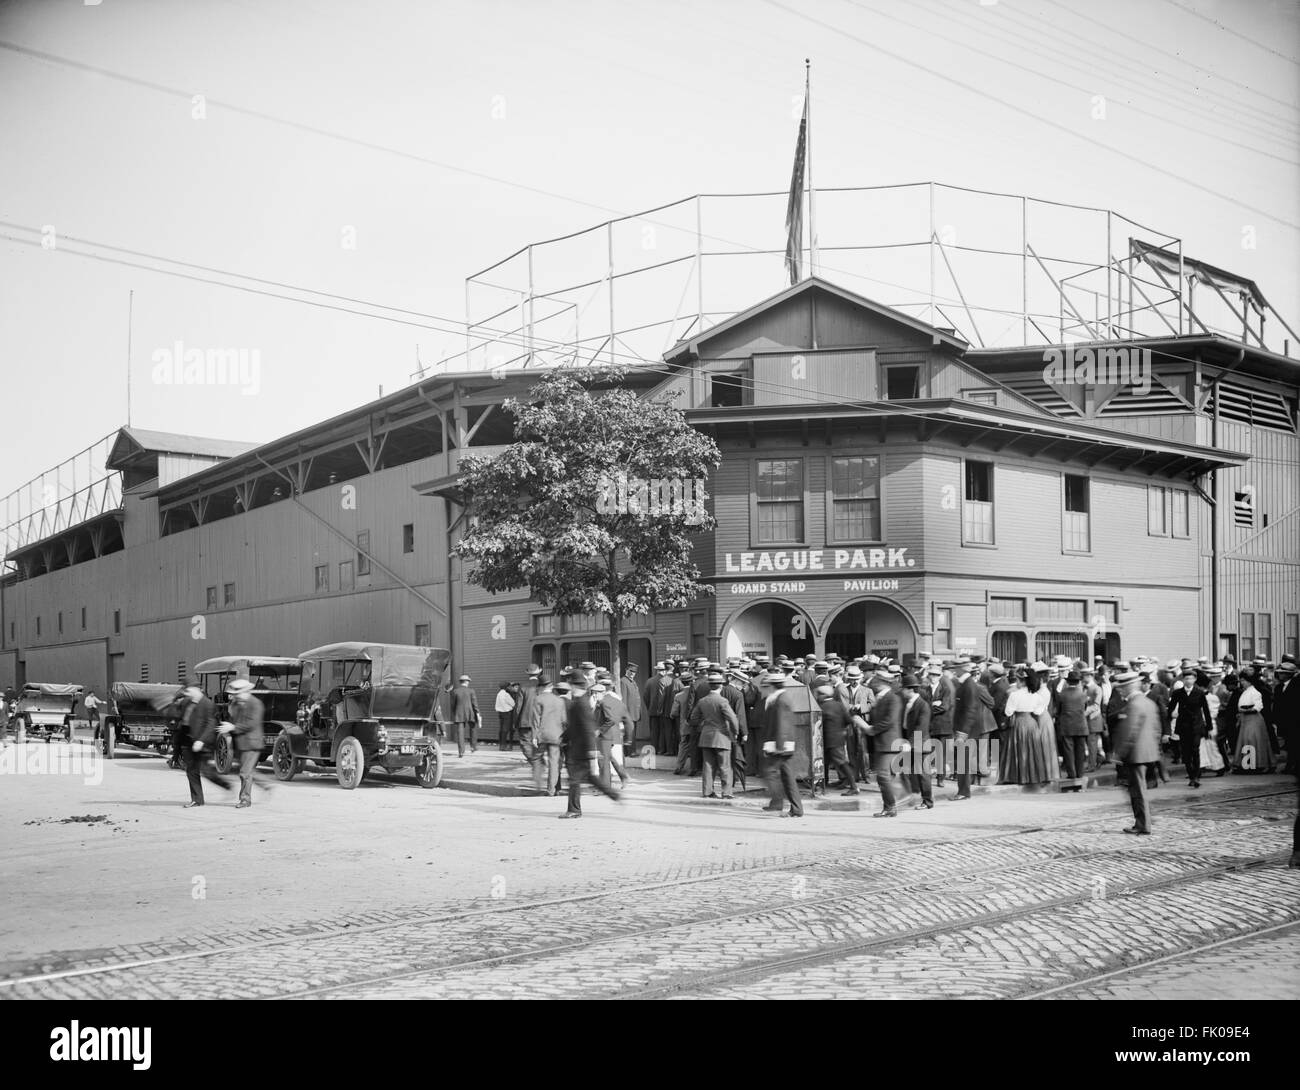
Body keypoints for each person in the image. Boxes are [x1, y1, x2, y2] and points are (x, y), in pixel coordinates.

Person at [558, 677, 621, 818]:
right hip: (580, 747)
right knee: (590, 778)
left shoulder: (581, 703)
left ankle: (574, 810)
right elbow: (574, 726)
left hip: (580, 749)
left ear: (575, 686)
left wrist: (591, 749)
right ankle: (614, 795)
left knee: (574, 780)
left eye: (571, 685)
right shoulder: (580, 702)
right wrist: (564, 737)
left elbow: (587, 727)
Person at [1111, 667, 1161, 834]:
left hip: (1136, 755)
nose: (1120, 690)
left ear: (1129, 687)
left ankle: (1143, 824)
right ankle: (1143, 821)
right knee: (1140, 789)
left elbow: (1129, 732)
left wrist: (1119, 753)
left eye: (1122, 687)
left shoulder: (1133, 705)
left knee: (1138, 791)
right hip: (1148, 753)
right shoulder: (1148, 702)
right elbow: (1156, 729)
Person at [999, 666, 1059, 787]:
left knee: (1018, 749)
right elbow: (1038, 711)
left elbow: (1008, 712)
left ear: (1021, 681)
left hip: (1018, 722)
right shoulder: (1036, 695)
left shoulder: (1014, 695)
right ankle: (1033, 775)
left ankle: (1017, 776)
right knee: (1032, 749)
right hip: (1031, 723)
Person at [177, 683, 229, 806]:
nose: (186, 693)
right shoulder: (186, 702)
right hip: (187, 740)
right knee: (191, 770)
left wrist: (201, 740)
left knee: (207, 771)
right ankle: (197, 800)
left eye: (188, 690)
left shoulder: (208, 704)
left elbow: (211, 724)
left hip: (203, 742)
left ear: (197, 689)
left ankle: (226, 786)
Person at [222, 679, 271, 809]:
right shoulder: (236, 704)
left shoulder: (256, 704)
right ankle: (265, 784)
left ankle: (245, 799)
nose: (235, 696)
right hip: (240, 742)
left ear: (246, 691)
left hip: (252, 743)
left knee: (244, 772)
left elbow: (251, 724)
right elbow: (232, 718)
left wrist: (232, 727)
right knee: (247, 770)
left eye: (237, 693)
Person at [690, 670, 739, 799]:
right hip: (722, 737)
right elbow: (733, 719)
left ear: (710, 686)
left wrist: (704, 725)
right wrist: (735, 733)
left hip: (706, 736)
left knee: (708, 765)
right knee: (725, 766)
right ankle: (726, 792)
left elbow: (693, 719)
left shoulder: (702, 701)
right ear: (721, 685)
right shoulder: (723, 701)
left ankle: (707, 791)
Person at [762, 672, 803, 817]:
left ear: (772, 685)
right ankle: (795, 808)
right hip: (784, 744)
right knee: (787, 776)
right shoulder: (781, 698)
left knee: (770, 773)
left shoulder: (779, 700)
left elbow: (781, 724)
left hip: (780, 744)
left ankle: (778, 802)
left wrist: (779, 746)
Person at [866, 665, 904, 816]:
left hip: (889, 743)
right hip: (883, 742)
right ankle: (894, 802)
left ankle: (890, 807)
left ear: (882, 682)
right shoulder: (880, 698)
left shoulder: (892, 698)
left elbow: (889, 720)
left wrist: (871, 729)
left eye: (876, 680)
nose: (873, 682)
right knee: (889, 776)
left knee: (882, 775)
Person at [1168, 669, 1212, 787]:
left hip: (1196, 725)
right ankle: (1191, 775)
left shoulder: (1199, 693)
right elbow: (1170, 708)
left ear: (1195, 680)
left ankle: (1196, 777)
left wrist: (1209, 727)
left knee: (1195, 750)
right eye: (1186, 679)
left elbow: (1206, 710)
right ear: (1183, 680)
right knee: (1186, 753)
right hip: (1183, 726)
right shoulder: (1178, 693)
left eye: (1191, 678)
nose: (1188, 681)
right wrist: (1169, 719)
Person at [816, 683, 858, 796]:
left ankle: (854, 787)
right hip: (838, 739)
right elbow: (848, 720)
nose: (817, 696)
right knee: (829, 762)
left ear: (823, 695)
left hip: (829, 740)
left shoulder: (821, 707)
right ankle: (823, 785)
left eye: (818, 694)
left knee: (840, 763)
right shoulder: (838, 705)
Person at [900, 673, 933, 809]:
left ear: (910, 689)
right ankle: (912, 795)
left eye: (904, 688)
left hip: (920, 744)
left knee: (922, 774)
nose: (902, 691)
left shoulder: (922, 705)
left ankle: (927, 801)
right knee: (906, 770)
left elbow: (921, 728)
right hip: (911, 743)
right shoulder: (909, 703)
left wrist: (909, 744)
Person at [530, 674, 566, 796]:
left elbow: (535, 720)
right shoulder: (559, 700)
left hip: (542, 735)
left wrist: (534, 736)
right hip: (556, 735)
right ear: (551, 686)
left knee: (535, 758)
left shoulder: (538, 699)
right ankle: (551, 789)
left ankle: (538, 784)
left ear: (540, 687)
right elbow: (564, 720)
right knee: (554, 763)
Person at [1233, 671, 1274, 773]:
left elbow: (1258, 707)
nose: (1242, 683)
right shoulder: (1244, 692)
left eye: (1243, 681)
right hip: (1245, 720)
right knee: (1245, 740)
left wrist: (1246, 710)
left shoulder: (1255, 692)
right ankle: (1247, 764)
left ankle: (1259, 764)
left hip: (1254, 719)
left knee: (1253, 740)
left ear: (1249, 681)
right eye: (1241, 681)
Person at [595, 680, 632, 789]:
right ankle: (623, 776)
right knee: (609, 757)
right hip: (613, 735)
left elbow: (609, 719)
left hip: (604, 735)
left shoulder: (603, 702)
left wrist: (599, 730)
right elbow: (628, 722)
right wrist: (628, 738)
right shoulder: (619, 702)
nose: (594, 694)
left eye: (595, 692)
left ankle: (605, 786)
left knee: (603, 761)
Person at [1055, 671, 1089, 789]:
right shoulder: (1083, 694)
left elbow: (1057, 711)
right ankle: (1080, 773)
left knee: (1068, 750)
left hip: (1067, 724)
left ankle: (1072, 773)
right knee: (1080, 750)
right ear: (1079, 681)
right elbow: (1085, 708)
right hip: (1081, 725)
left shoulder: (1062, 694)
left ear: (1067, 681)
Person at [450, 674, 481, 758]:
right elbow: (475, 703)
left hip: (459, 713)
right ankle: (473, 747)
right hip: (470, 713)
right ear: (467, 682)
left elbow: (453, 705)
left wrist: (454, 713)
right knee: (473, 729)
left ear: (460, 682)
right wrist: (477, 713)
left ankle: (461, 752)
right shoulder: (471, 691)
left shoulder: (455, 691)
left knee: (460, 733)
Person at [494, 682, 517, 750]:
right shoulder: (506, 695)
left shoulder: (499, 694)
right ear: (506, 687)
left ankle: (501, 745)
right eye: (509, 686)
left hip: (500, 713)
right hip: (507, 713)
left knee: (501, 729)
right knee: (505, 730)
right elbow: (513, 703)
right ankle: (504, 746)